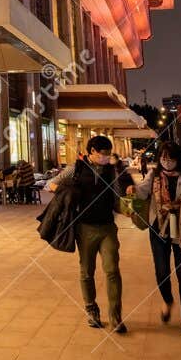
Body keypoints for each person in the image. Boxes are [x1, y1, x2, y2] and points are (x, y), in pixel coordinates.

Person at [49, 134, 128, 333]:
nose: (106, 158)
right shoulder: (76, 169)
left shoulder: (112, 171)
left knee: (112, 270)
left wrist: (129, 208)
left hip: (107, 227)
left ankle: (115, 315)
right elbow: (51, 184)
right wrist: (67, 192)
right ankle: (91, 310)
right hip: (85, 228)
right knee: (87, 272)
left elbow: (117, 198)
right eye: (103, 154)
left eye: (108, 154)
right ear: (92, 152)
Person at [147, 141, 181, 335]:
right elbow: (142, 192)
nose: (166, 161)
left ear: (178, 159)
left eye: (170, 158)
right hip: (158, 228)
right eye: (163, 158)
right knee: (161, 271)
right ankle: (168, 301)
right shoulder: (153, 176)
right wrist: (130, 190)